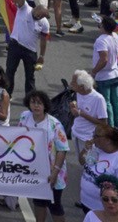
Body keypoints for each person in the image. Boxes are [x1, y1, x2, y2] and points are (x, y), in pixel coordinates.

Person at [19, 90, 69, 222]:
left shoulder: (54, 125)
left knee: (54, 205)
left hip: (52, 171)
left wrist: (55, 172)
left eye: (39, 103)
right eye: (33, 102)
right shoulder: (25, 117)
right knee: (38, 201)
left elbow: (62, 150)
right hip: (34, 170)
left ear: (45, 105)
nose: (36, 106)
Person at [77, 123, 118, 220]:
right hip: (87, 204)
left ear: (108, 140)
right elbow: (82, 161)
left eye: (96, 136)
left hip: (105, 212)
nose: (92, 138)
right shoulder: (96, 149)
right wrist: (85, 149)